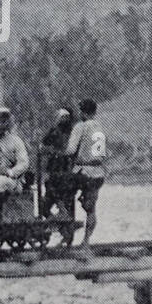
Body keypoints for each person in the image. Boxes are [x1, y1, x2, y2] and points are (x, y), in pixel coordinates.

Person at [66, 99, 107, 246]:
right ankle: (86, 241)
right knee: (91, 209)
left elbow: (70, 150)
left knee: (64, 193)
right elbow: (101, 154)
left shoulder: (80, 127)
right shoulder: (100, 128)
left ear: (82, 112)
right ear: (94, 112)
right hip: (98, 173)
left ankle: (66, 227)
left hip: (82, 171)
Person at [38, 107, 77, 223]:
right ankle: (54, 216)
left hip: (66, 167)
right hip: (55, 166)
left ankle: (62, 213)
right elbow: (42, 146)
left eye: (66, 117)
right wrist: (52, 150)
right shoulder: (54, 131)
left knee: (60, 190)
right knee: (50, 189)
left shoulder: (72, 132)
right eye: (62, 117)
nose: (64, 120)